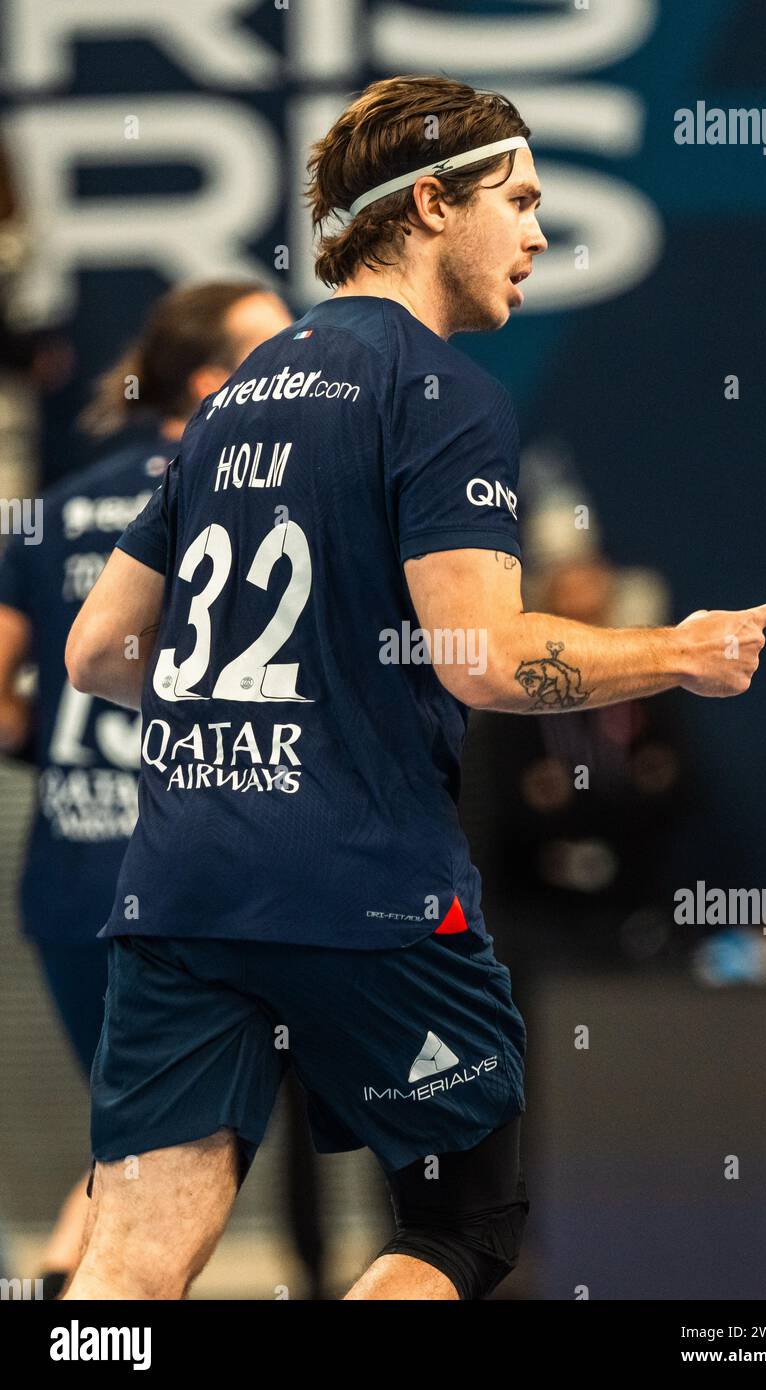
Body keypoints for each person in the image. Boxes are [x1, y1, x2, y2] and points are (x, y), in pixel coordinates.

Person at [60, 74, 766, 1302]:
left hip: (181, 879)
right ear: (428, 203)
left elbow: (100, 652)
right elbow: (483, 658)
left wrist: (263, 704)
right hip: (357, 881)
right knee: (466, 1223)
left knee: (129, 1268)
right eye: (516, 201)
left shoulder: (231, 399)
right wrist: (677, 652)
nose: (533, 233)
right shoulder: (439, 389)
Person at [0, 279, 292, 1296]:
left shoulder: (62, 509)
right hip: (190, 877)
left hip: (67, 876)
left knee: (131, 1134)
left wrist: (53, 749)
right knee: (174, 1146)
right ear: (214, 380)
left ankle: (61, 1289)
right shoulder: (248, 494)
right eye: (274, 346)